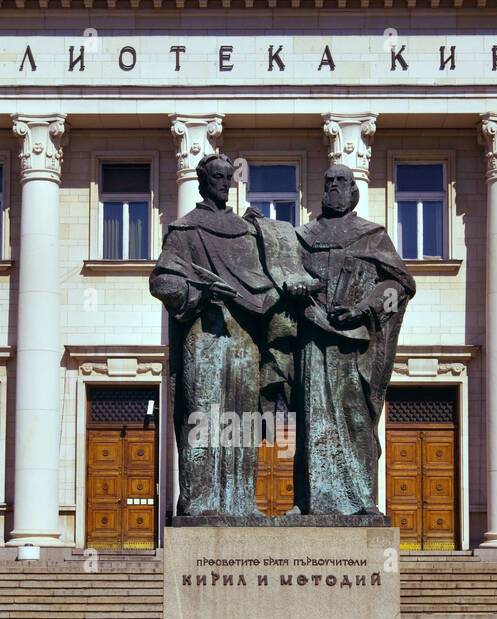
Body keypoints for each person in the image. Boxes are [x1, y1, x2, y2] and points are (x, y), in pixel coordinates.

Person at [150, 154, 305, 517]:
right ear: (202, 182)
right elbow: (162, 280)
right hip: (204, 335)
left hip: (245, 336)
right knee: (203, 416)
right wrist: (198, 294)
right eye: (216, 177)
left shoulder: (246, 231)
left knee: (243, 417)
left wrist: (265, 229)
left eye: (227, 177)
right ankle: (201, 502)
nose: (224, 182)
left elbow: (273, 270)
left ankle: (239, 503)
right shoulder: (185, 230)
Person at [290, 164, 415, 515]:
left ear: (353, 192)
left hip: (355, 344)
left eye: (340, 182)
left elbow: (401, 286)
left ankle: (361, 500)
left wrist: (365, 308)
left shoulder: (371, 235)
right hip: (313, 338)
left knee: (356, 418)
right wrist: (295, 288)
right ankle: (308, 501)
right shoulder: (303, 236)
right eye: (327, 181)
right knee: (311, 417)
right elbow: (286, 277)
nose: (332, 187)